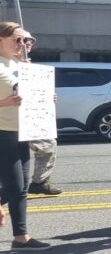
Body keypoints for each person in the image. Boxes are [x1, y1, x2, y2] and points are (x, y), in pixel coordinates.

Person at [0, 22, 50, 250]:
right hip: (3, 131)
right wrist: (3, 103)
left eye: (25, 40)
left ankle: (21, 238)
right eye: (17, 40)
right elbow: (20, 90)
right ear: (1, 39)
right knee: (14, 185)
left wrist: (47, 97)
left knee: (22, 187)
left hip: (23, 129)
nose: (23, 44)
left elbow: (31, 95)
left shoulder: (18, 64)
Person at [19, 31, 62, 196]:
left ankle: (40, 181)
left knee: (48, 145)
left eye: (30, 41)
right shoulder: (6, 65)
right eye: (23, 40)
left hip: (30, 119)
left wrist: (46, 98)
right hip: (9, 119)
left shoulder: (30, 67)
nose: (27, 43)